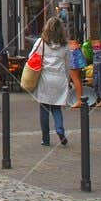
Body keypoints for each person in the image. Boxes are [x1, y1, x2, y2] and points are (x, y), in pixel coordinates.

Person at [32, 18, 72, 146]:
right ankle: (60, 130)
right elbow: (67, 64)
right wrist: (68, 79)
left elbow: (31, 57)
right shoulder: (65, 45)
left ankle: (45, 138)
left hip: (45, 78)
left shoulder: (41, 42)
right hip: (59, 78)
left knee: (44, 108)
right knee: (56, 108)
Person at [66, 36, 87, 110]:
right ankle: (80, 99)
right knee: (77, 78)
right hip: (75, 51)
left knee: (75, 78)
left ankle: (79, 100)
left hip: (73, 52)